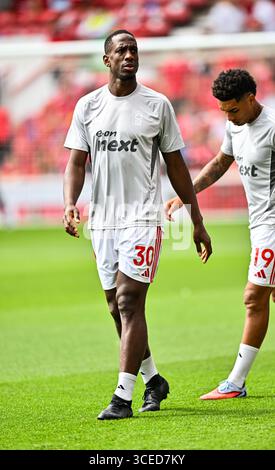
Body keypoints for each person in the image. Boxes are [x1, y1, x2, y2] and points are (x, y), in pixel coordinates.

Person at [63, 29, 212, 419]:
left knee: (130, 301)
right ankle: (153, 379)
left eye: (134, 49)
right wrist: (69, 204)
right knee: (116, 307)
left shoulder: (157, 105)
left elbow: (176, 166)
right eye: (121, 50)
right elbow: (76, 162)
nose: (129, 55)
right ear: (106, 60)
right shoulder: (88, 106)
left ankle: (122, 398)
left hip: (143, 217)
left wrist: (196, 218)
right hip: (103, 220)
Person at [165, 68, 275, 399]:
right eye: (223, 110)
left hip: (273, 226)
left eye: (233, 109)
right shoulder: (235, 125)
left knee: (253, 297)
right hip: (259, 225)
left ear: (250, 98)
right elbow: (218, 164)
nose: (228, 115)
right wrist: (187, 196)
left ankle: (235, 383)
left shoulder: (271, 127)